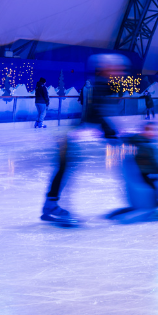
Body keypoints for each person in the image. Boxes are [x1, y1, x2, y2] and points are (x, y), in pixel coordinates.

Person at [41, 53, 127, 226]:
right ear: (107, 69)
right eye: (116, 69)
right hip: (71, 134)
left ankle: (51, 205)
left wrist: (109, 131)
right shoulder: (100, 85)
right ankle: (51, 207)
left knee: (67, 167)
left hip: (73, 133)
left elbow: (97, 111)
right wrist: (109, 132)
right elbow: (94, 112)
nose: (119, 73)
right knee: (65, 167)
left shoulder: (102, 84)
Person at [106, 120, 158, 223]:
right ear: (144, 131)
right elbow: (144, 156)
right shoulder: (142, 142)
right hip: (145, 173)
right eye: (149, 130)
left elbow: (153, 160)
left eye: (153, 131)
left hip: (149, 172)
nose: (151, 133)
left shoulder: (145, 142)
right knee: (157, 189)